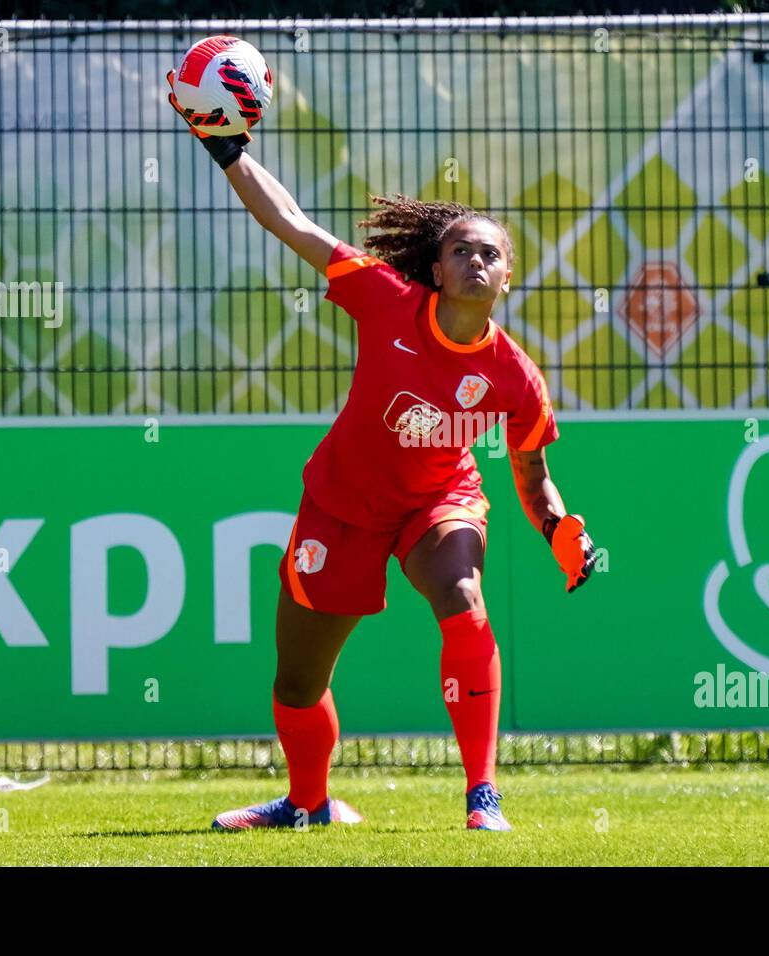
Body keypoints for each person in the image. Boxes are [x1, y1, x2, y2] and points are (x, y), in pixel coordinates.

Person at [167, 70, 598, 832]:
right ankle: (306, 804)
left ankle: (482, 796)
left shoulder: (516, 378)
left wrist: (561, 532)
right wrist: (229, 150)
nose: (475, 262)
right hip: (340, 505)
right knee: (298, 682)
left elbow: (534, 478)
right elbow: (295, 222)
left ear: (505, 278)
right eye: (461, 250)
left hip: (440, 501)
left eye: (490, 255)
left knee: (464, 599)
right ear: (435, 270)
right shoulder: (385, 299)